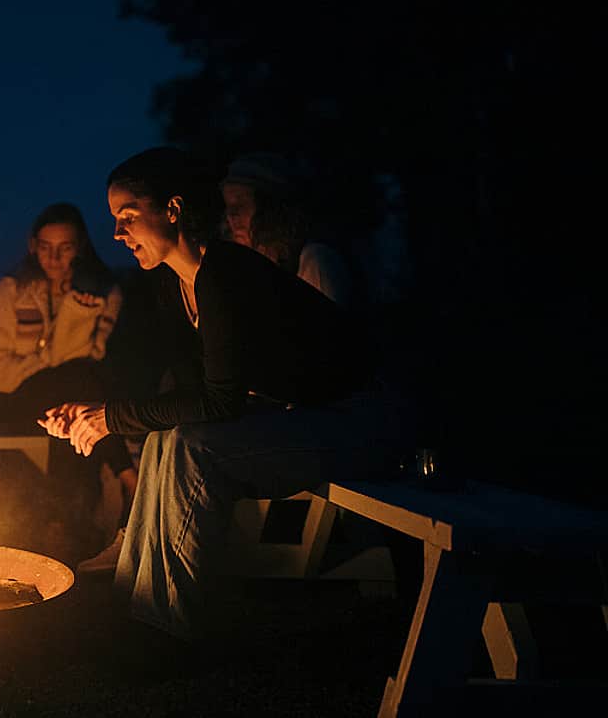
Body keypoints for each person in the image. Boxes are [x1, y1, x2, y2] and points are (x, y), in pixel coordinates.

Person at [39, 147, 416, 641]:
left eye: (128, 216)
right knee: (165, 440)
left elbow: (221, 402)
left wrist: (111, 418)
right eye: (114, 220)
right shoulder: (179, 287)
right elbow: (195, 393)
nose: (117, 233)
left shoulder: (226, 272)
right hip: (312, 417)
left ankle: (169, 628)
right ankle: (133, 608)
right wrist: (98, 413)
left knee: (195, 447)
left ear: (172, 211)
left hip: (360, 418)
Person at [0, 202, 137, 564]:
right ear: (33, 246)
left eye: (64, 248)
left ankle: (61, 531)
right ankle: (124, 476)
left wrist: (78, 312)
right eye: (45, 247)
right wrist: (45, 363)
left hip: (70, 400)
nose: (54, 257)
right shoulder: (13, 290)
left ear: (79, 247)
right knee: (75, 387)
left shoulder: (102, 294)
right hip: (14, 399)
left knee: (70, 409)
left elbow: (89, 361)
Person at [218, 152, 355, 305]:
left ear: (270, 209)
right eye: (228, 206)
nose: (232, 215)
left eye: (240, 203)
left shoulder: (316, 264)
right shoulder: (252, 275)